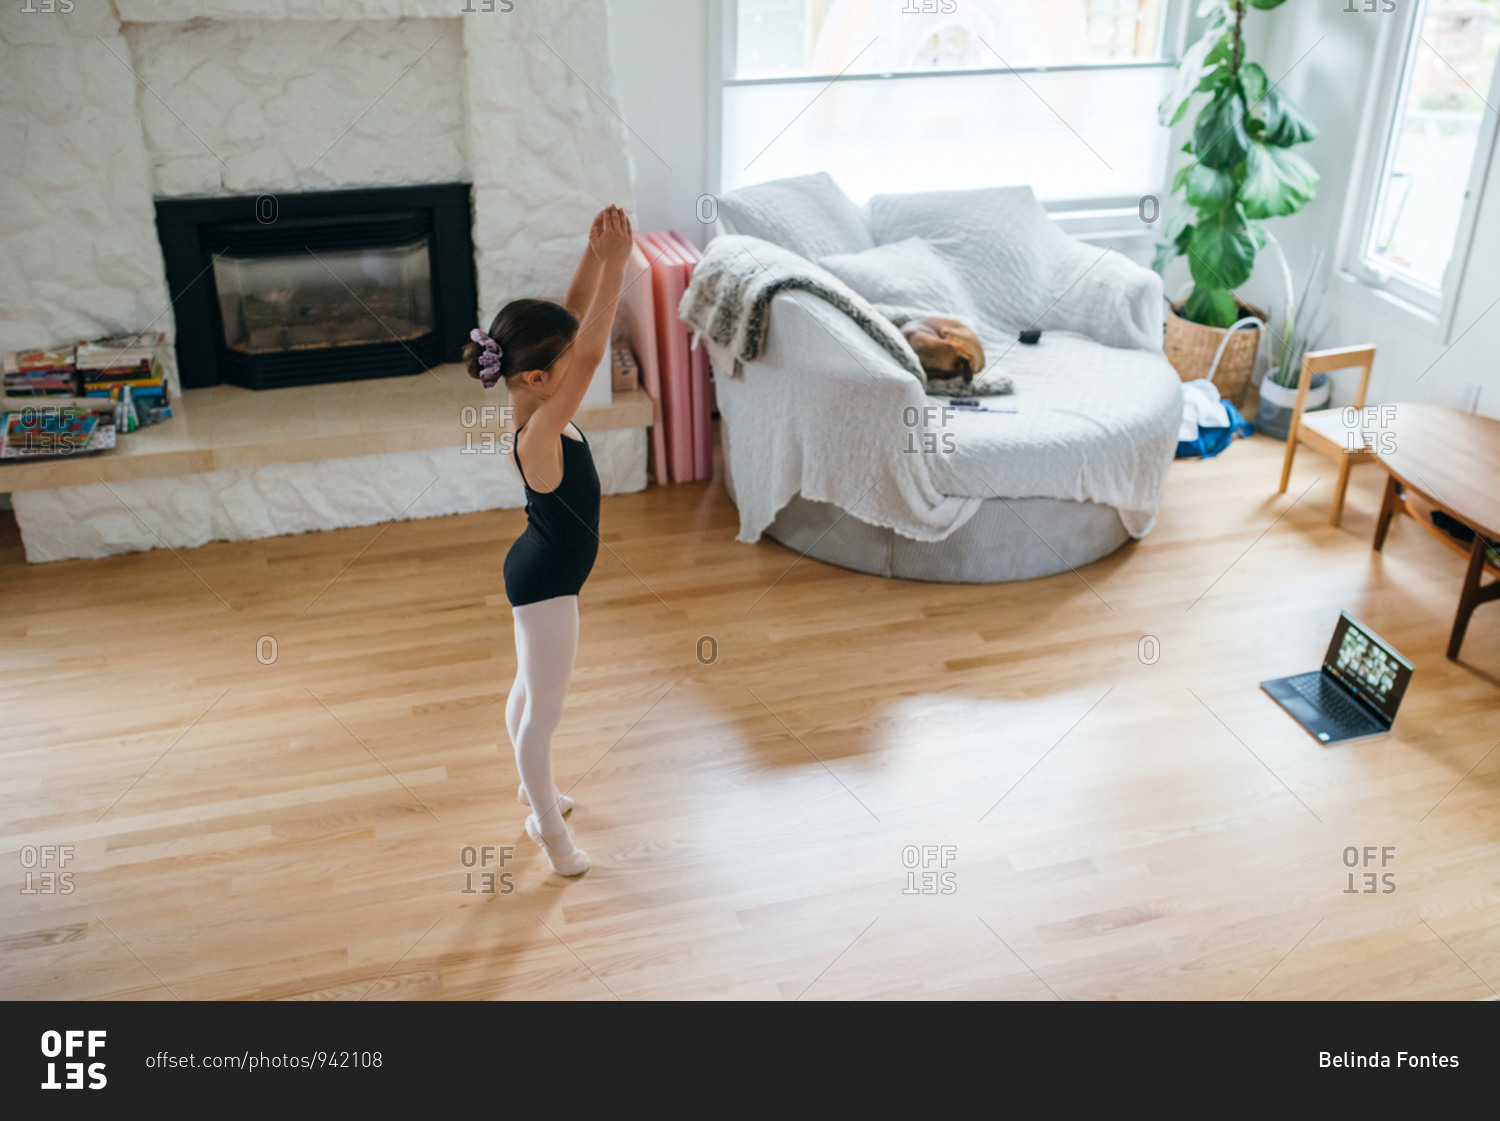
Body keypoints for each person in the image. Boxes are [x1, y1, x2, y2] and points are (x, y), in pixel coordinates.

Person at [462, 205, 634, 876]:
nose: (579, 371)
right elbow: (587, 348)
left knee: (529, 691)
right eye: (566, 368)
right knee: (546, 710)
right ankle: (549, 833)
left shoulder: (530, 403)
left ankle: (539, 793)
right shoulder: (539, 433)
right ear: (539, 378)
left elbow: (569, 320)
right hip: (546, 586)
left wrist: (593, 258)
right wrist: (620, 266)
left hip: (536, 569)